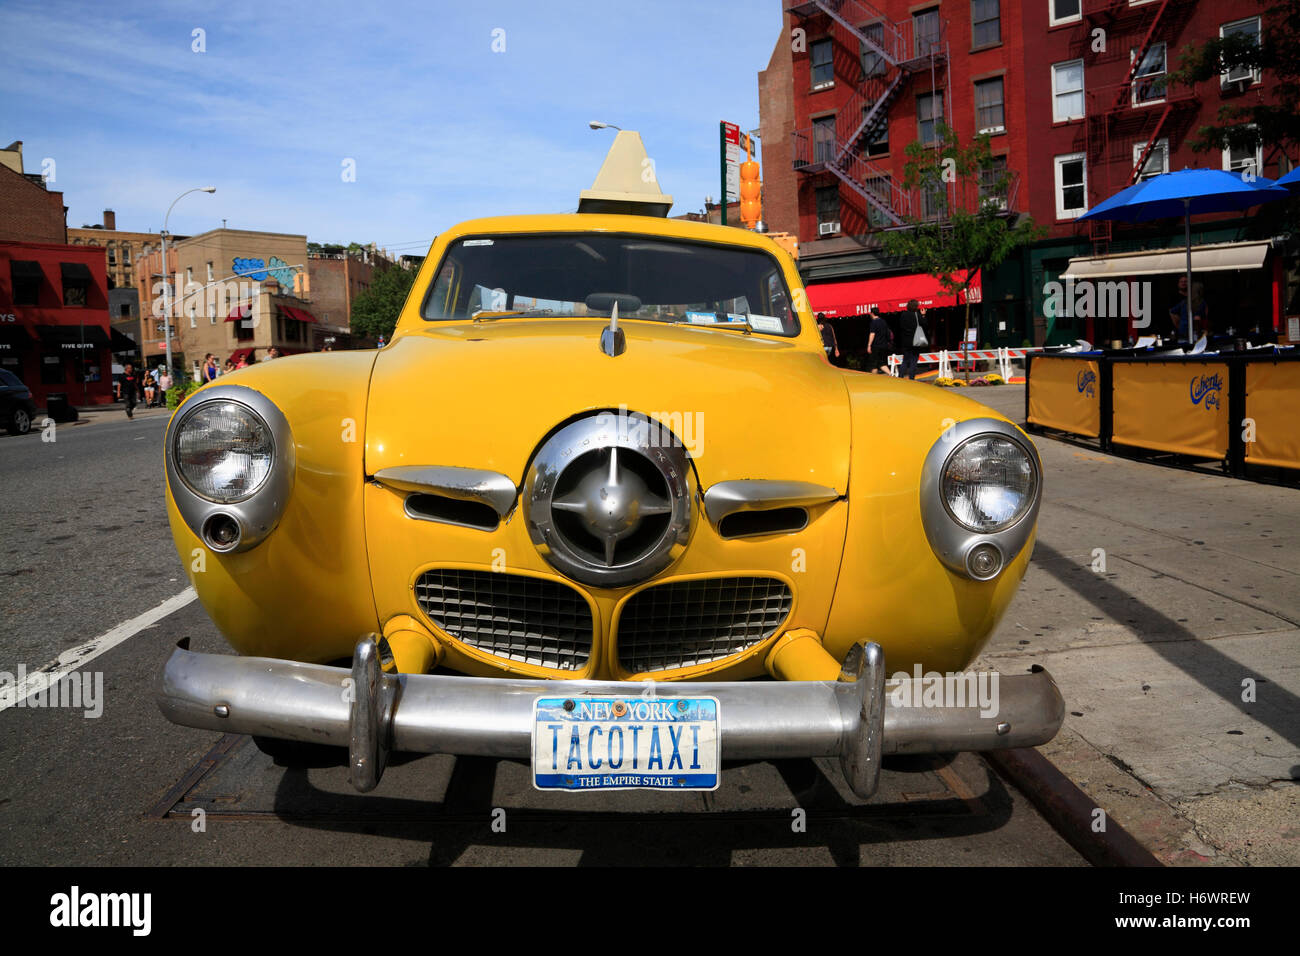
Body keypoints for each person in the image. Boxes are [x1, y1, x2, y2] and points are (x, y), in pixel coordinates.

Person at [1168, 276, 1208, 343]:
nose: (1184, 283)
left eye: (1185, 282)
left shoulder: (1186, 301)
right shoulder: (1186, 302)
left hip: (1186, 333)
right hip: (1191, 333)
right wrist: (1178, 324)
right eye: (1181, 281)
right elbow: (1198, 319)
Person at [898, 299, 929, 380]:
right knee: (913, 361)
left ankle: (900, 377)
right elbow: (925, 325)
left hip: (906, 341)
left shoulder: (903, 315)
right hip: (916, 341)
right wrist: (923, 315)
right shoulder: (917, 315)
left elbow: (901, 326)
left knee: (905, 360)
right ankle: (911, 378)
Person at [866, 306, 893, 374]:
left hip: (876, 346)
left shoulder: (873, 322)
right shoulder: (883, 321)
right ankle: (891, 374)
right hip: (884, 345)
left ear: (872, 313)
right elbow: (887, 333)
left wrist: (869, 345)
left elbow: (872, 334)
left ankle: (874, 380)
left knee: (873, 364)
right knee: (881, 363)